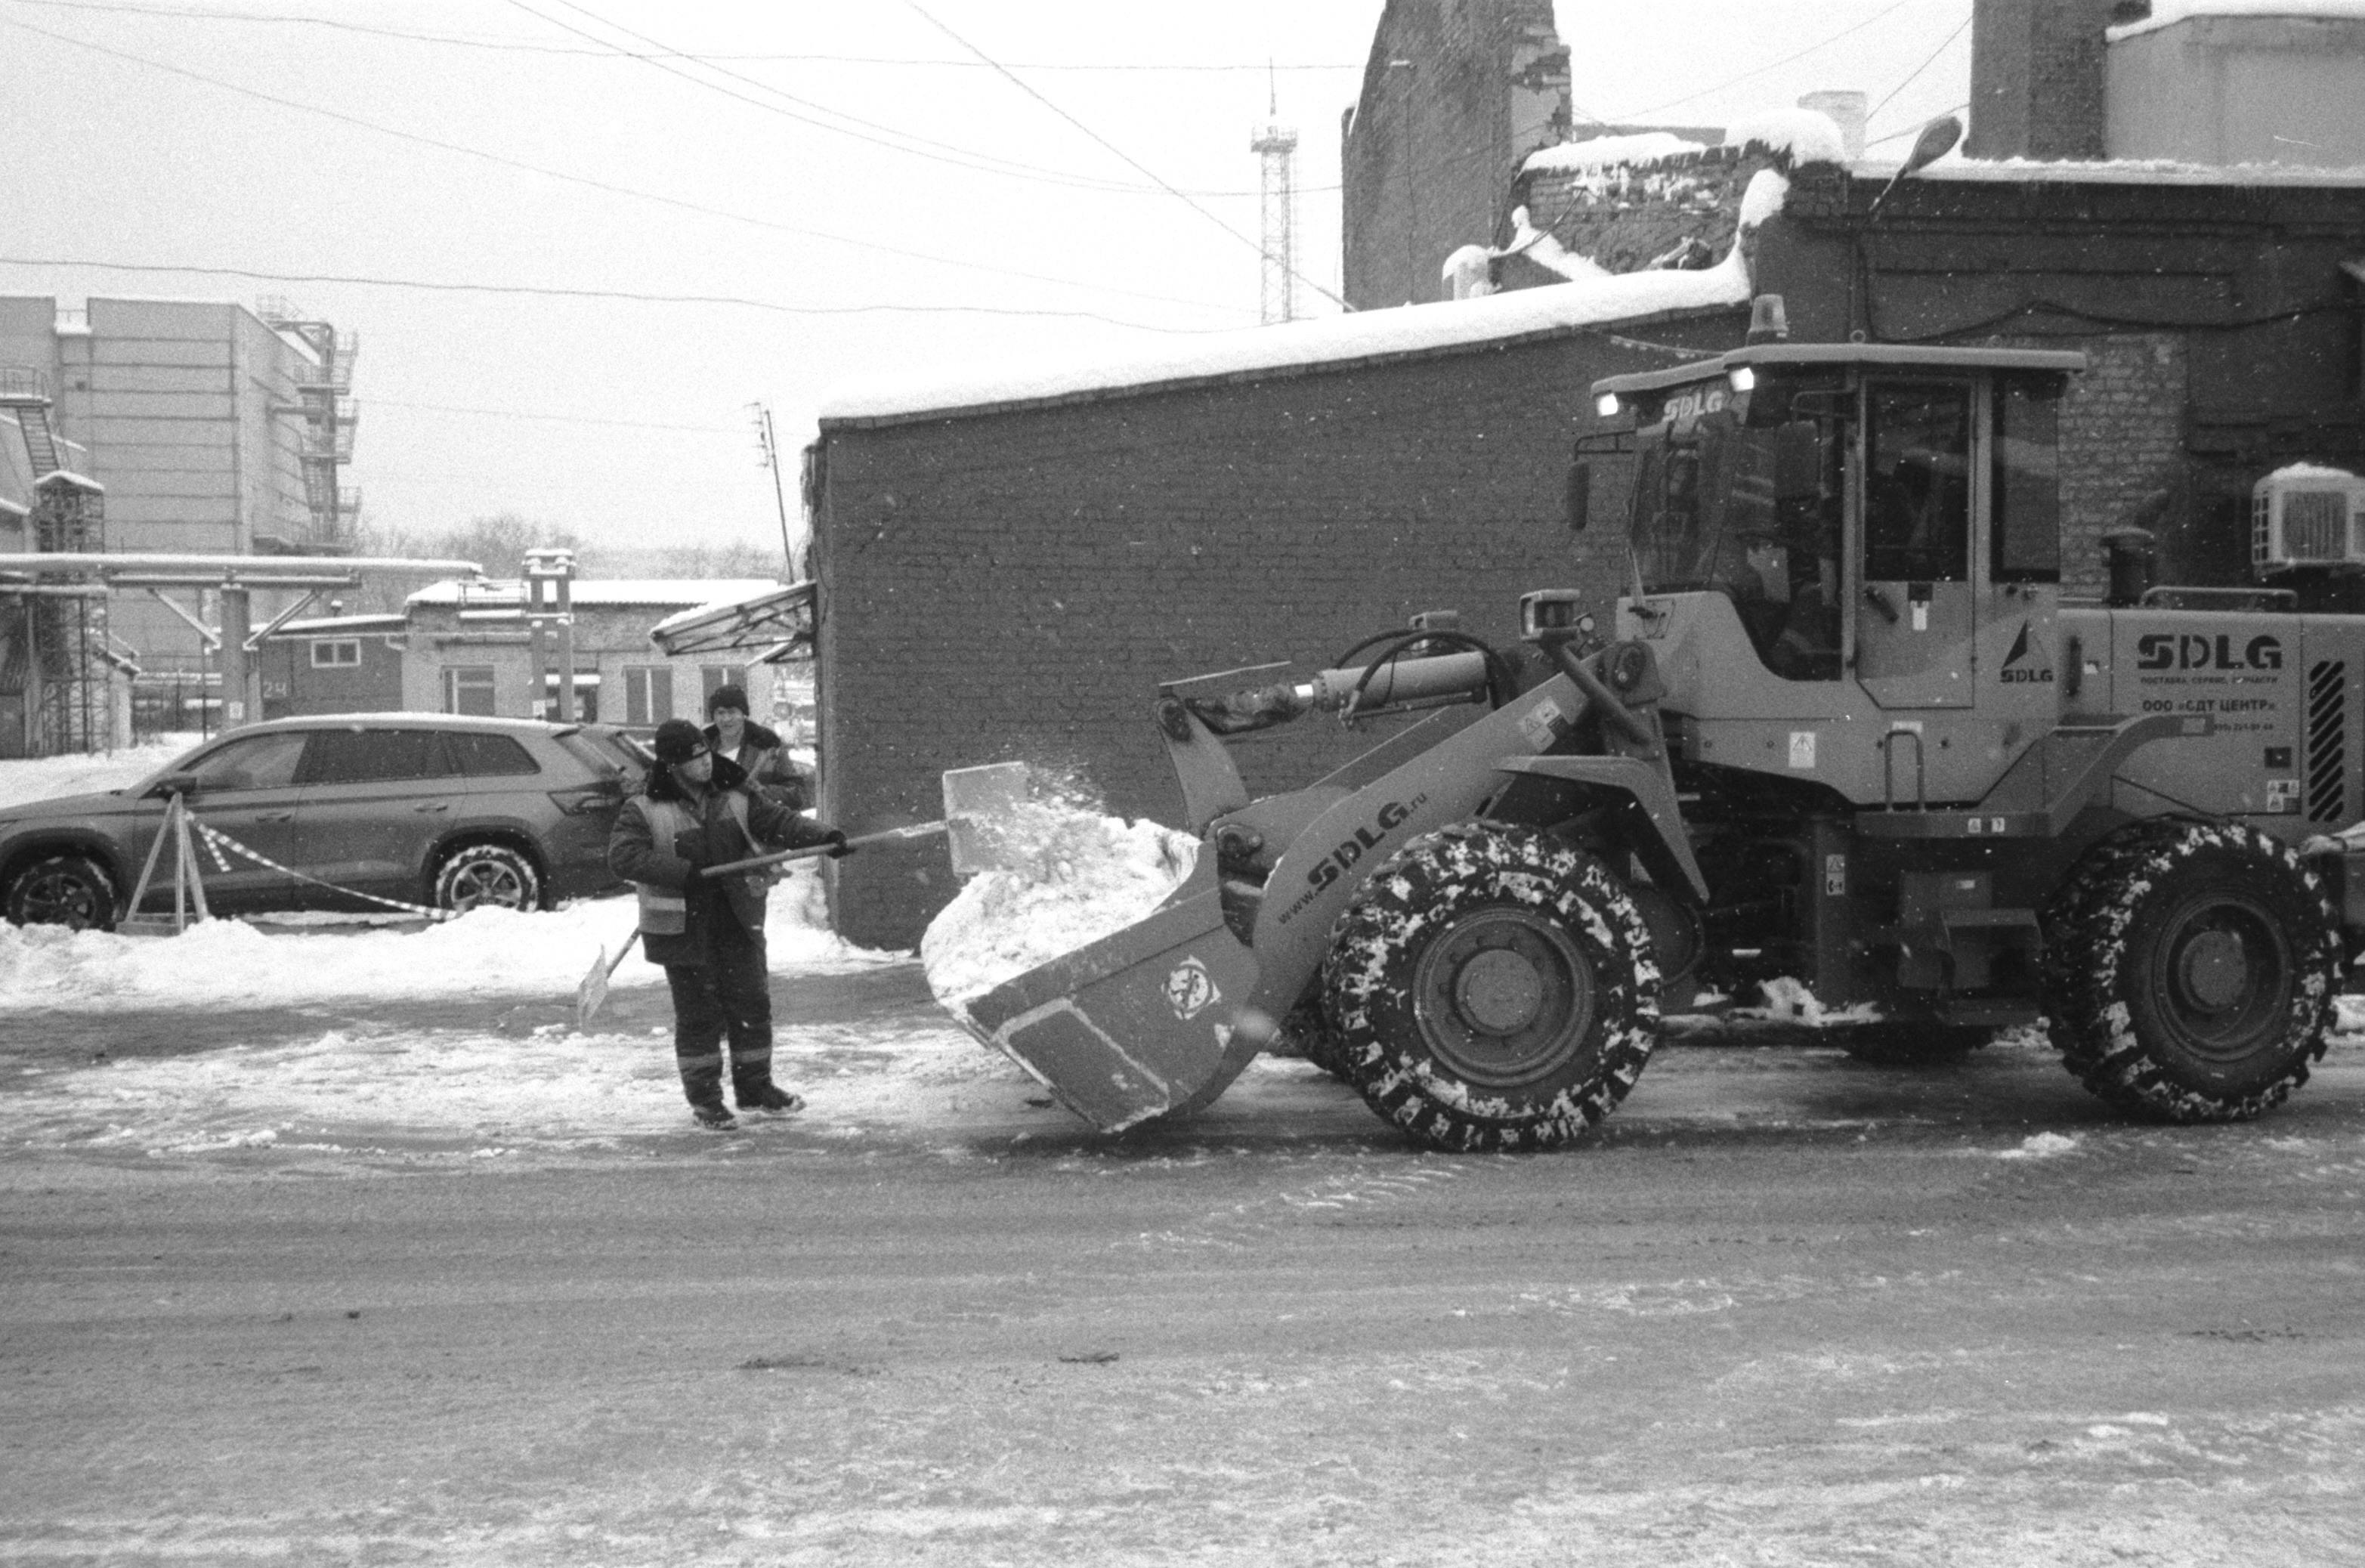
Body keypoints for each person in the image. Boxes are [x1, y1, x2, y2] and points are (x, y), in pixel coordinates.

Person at [608, 718, 849, 1130]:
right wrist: (684, 871)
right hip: (683, 927)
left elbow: (778, 821)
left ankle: (756, 1090)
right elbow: (624, 858)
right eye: (694, 758)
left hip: (737, 918)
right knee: (700, 1017)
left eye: (706, 753)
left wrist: (826, 836)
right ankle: (706, 1102)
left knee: (752, 1005)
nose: (705, 763)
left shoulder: (734, 794)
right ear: (672, 765)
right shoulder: (644, 809)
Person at [702, 682, 815, 812]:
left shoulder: (769, 748)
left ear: (744, 714)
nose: (726, 719)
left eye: (732, 712)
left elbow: (798, 794)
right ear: (713, 716)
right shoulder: (701, 752)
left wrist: (763, 791)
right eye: (720, 713)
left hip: (759, 828)